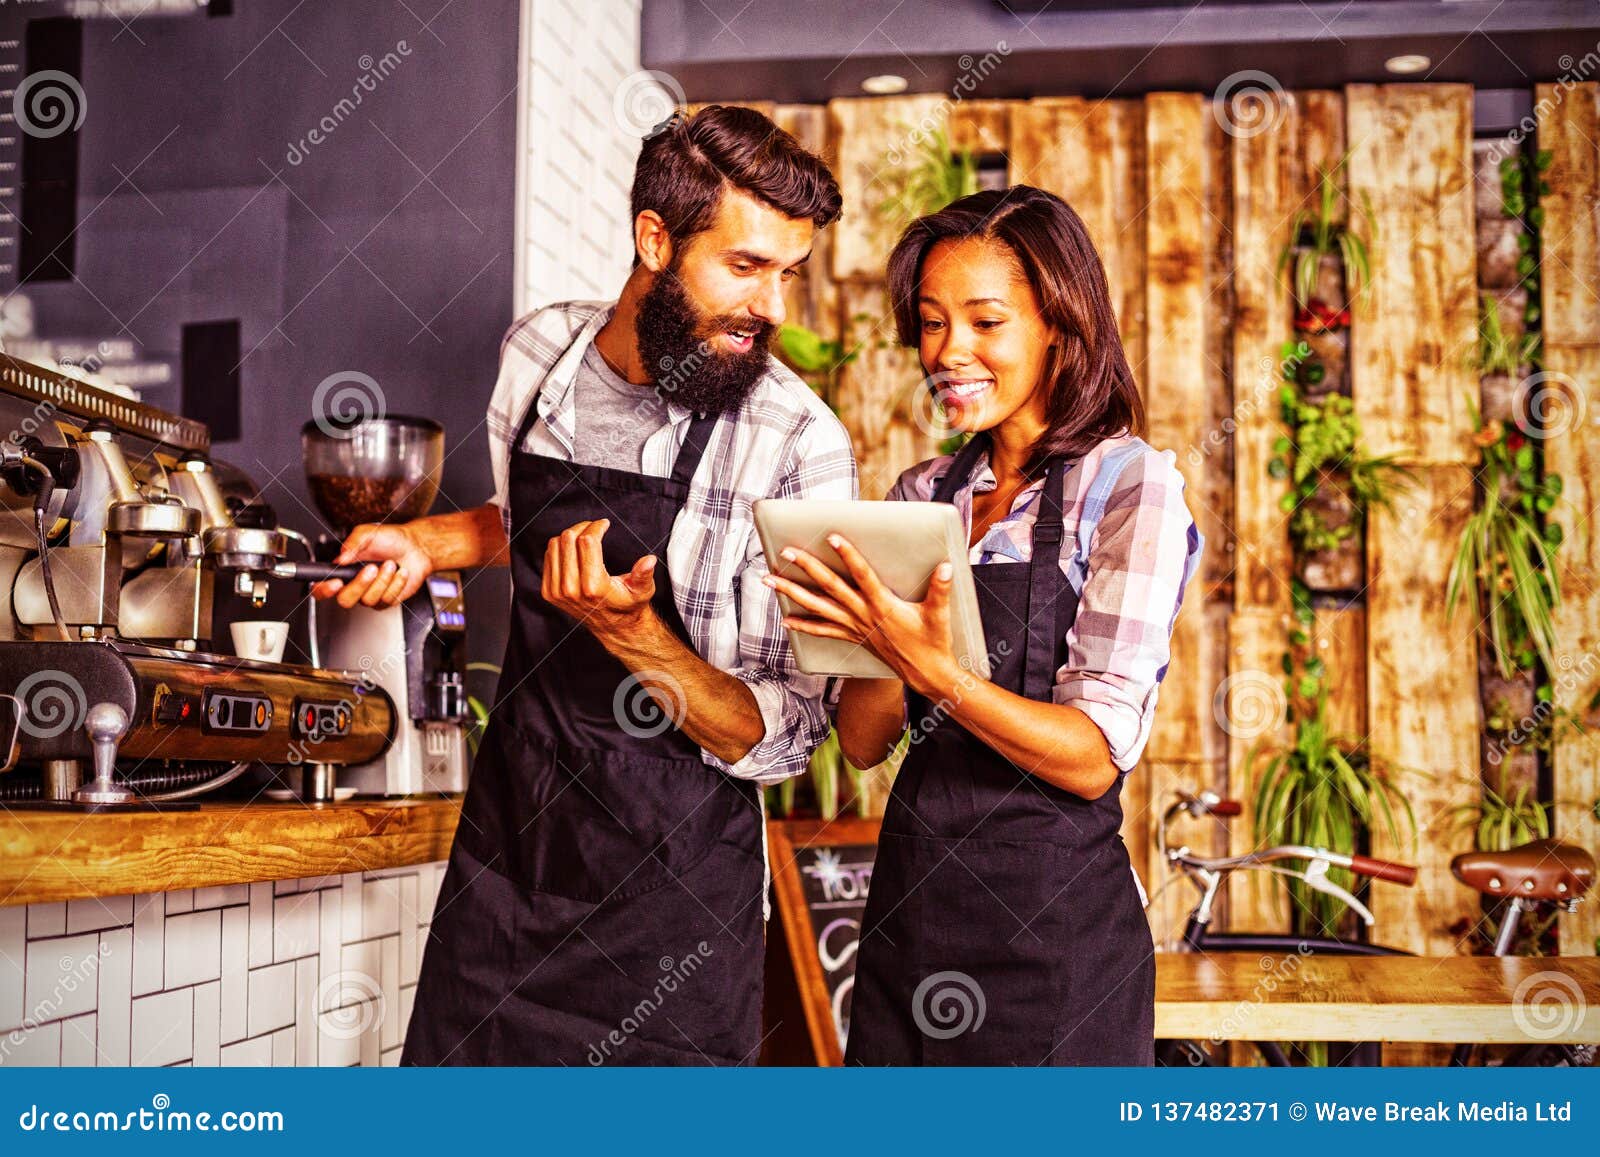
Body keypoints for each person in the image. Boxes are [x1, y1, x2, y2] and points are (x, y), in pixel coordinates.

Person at [312, 106, 854, 1065]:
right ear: (655, 239)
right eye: (745, 266)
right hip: (508, 873)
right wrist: (429, 540)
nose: (774, 306)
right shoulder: (539, 356)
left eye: (788, 273)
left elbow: (791, 736)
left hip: (673, 924)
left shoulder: (797, 442)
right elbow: (529, 518)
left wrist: (634, 635)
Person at [763, 186, 1203, 1065]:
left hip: (1056, 947)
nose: (948, 351)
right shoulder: (922, 496)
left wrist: (936, 668)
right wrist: (873, 636)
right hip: (914, 919)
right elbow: (860, 739)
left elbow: (1088, 758)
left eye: (984, 322)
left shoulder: (1128, 488)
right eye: (930, 323)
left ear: (1060, 329)